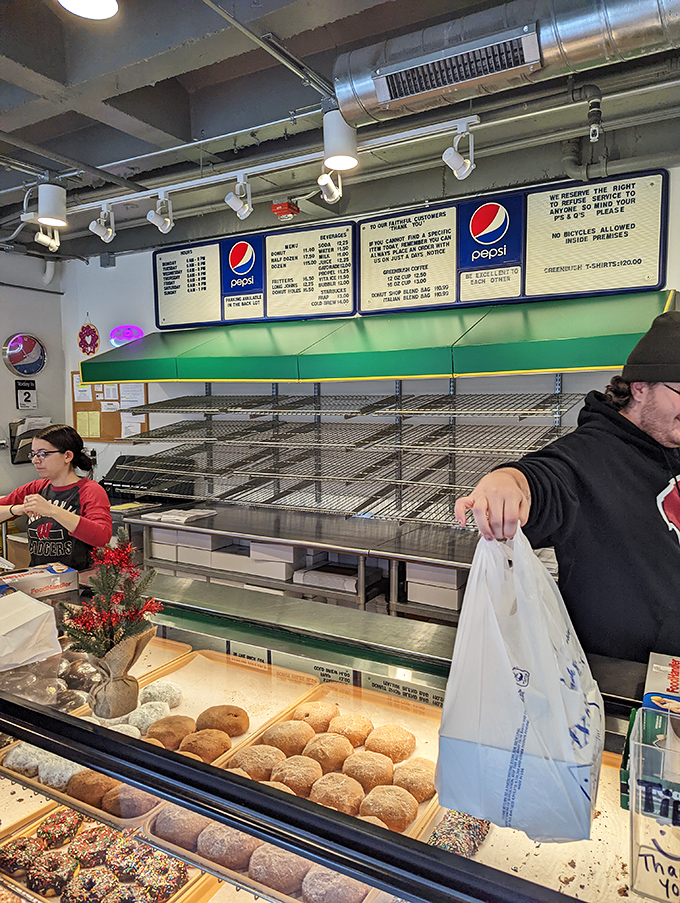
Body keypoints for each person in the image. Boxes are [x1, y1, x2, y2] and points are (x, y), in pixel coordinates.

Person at [454, 310, 680, 664]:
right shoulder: (587, 456)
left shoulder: (672, 442)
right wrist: (507, 482)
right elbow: (544, 478)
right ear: (640, 388)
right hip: (621, 679)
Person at [0, 424, 112, 571]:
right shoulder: (36, 488)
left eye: (43, 454)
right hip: (40, 577)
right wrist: (17, 509)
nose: (35, 460)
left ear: (67, 456)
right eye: (33, 454)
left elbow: (102, 537)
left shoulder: (90, 490)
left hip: (79, 580)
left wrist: (52, 510)